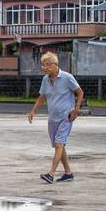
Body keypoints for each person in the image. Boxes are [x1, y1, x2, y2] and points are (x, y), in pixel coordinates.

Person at [27, 51, 83, 184]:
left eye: (47, 65)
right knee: (59, 146)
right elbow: (42, 97)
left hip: (66, 116)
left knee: (59, 144)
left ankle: (51, 173)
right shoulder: (45, 80)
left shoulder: (67, 77)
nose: (44, 68)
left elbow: (80, 92)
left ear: (55, 65)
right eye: (43, 65)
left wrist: (76, 109)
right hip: (53, 118)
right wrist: (33, 111)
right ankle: (68, 173)